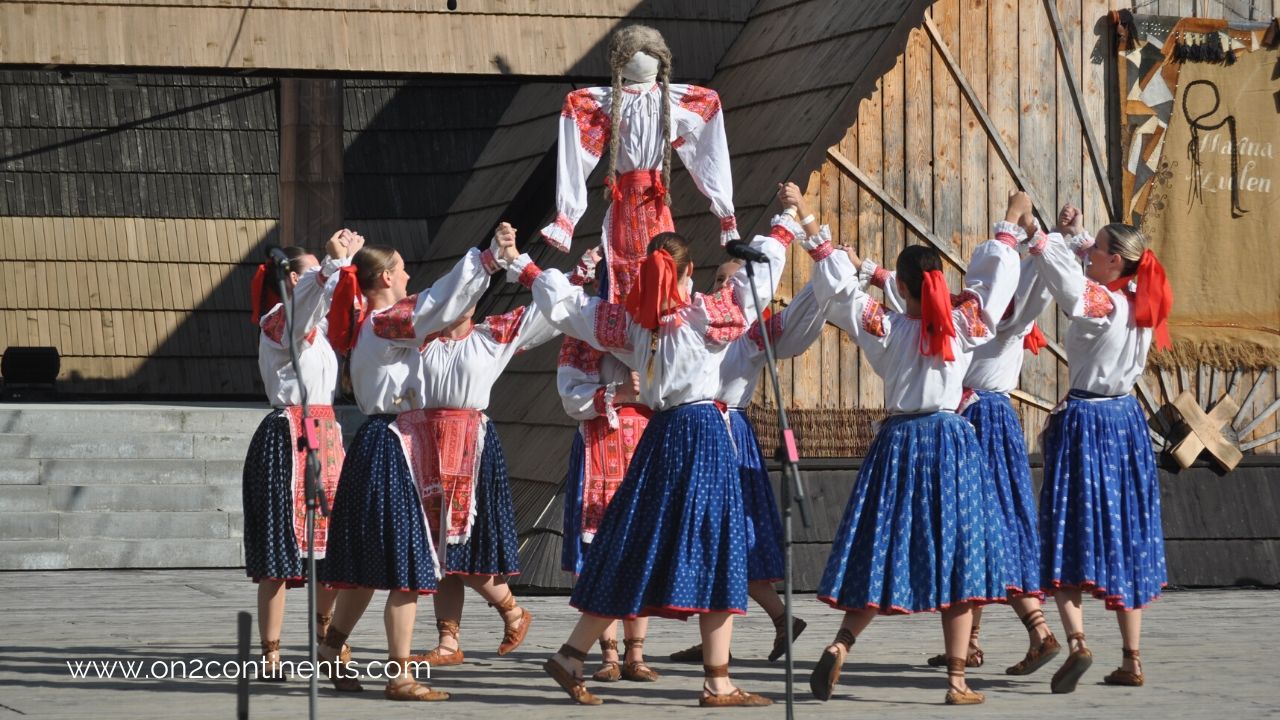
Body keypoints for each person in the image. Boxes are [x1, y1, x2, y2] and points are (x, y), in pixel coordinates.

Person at [514, 191, 797, 706]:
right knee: (717, 546)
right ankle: (717, 681)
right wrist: (785, 222)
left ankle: (573, 654)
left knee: (632, 544)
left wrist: (525, 268)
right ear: (688, 273)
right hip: (703, 435)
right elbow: (759, 278)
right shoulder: (705, 315)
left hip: (660, 435)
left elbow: (569, 307)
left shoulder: (631, 325)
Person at [806, 191, 1025, 705]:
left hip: (900, 443)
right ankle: (957, 681)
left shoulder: (885, 325)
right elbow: (993, 289)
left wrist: (813, 233)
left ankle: (841, 643)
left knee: (885, 546)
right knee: (960, 555)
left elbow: (842, 292)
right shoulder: (963, 325)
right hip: (951, 443)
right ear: (940, 283)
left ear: (901, 287)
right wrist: (1009, 227)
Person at [315, 225, 517, 701]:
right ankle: (400, 675)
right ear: (385, 277)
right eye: (402, 270)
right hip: (391, 446)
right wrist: (485, 261)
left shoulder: (372, 322)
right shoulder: (384, 322)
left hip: (382, 443)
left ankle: (331, 648)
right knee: (405, 568)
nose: (408, 277)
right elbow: (437, 304)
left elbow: (437, 306)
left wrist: (485, 265)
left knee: (373, 568)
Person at [1030, 203, 1171, 693]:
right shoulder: (1139, 298)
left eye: (1098, 250)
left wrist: (1037, 235)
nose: (1089, 253)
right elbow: (1101, 264)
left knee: (1068, 526)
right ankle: (1132, 658)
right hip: (1126, 421)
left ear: (1115, 261)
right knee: (1127, 531)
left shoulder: (1102, 303)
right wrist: (1077, 235)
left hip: (1087, 422)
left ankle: (1077, 643)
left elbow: (1070, 286)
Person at [669, 250, 827, 664]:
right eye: (718, 280)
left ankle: (754, 626)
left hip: (728, 433)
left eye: (731, 280)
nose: (724, 287)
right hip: (698, 430)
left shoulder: (753, 334)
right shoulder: (697, 324)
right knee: (710, 535)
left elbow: (794, 323)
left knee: (727, 535)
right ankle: (737, 631)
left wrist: (824, 279)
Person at [405, 291, 561, 667]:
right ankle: (448, 642)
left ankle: (511, 609)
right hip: (426, 445)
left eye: (470, 294)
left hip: (469, 447)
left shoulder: (491, 336)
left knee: (463, 544)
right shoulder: (420, 340)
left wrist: (574, 278)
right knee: (438, 549)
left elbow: (542, 313)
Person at [540, 24, 737, 303]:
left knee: (661, 261)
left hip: (652, 200)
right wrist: (567, 216)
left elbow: (709, 139)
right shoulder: (611, 101)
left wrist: (724, 206)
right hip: (631, 200)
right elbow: (575, 130)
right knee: (642, 265)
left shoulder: (669, 99)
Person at [242, 229, 361, 680]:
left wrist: (343, 267)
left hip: (323, 434)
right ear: (293, 278)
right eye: (312, 272)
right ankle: (271, 654)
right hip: (287, 437)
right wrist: (330, 265)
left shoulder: (318, 328)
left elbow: (330, 304)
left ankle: (325, 639)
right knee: (279, 552)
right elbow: (307, 305)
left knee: (330, 549)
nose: (320, 280)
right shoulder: (279, 320)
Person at [557, 247, 659, 683]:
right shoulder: (582, 337)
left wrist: (646, 391)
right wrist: (616, 395)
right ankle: (609, 653)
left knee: (640, 544)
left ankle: (637, 652)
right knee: (602, 546)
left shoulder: (654, 328)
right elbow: (569, 395)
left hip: (647, 442)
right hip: (601, 440)